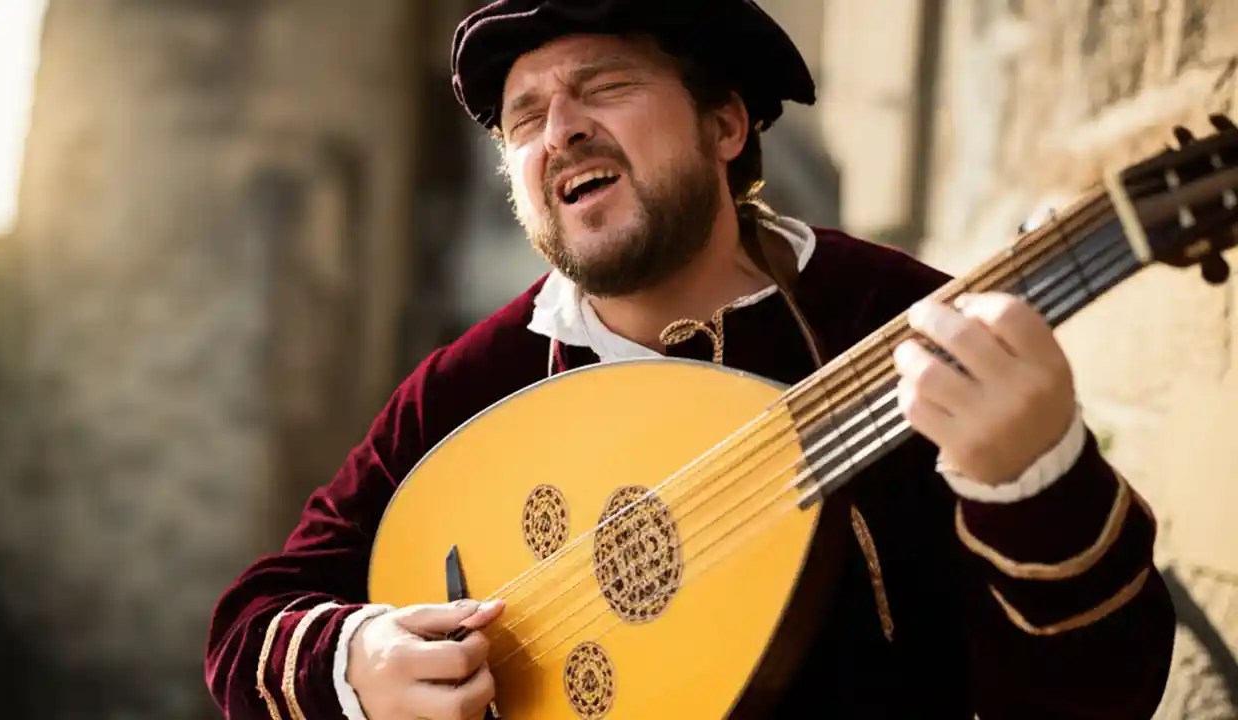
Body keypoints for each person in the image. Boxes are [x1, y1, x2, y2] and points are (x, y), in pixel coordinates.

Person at [204, 1, 1177, 718]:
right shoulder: (465, 391)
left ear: (724, 124)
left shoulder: (897, 323)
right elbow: (249, 626)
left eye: (603, 85)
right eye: (522, 119)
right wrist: (359, 656)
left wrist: (1033, 477)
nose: (560, 131)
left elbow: (1101, 695)